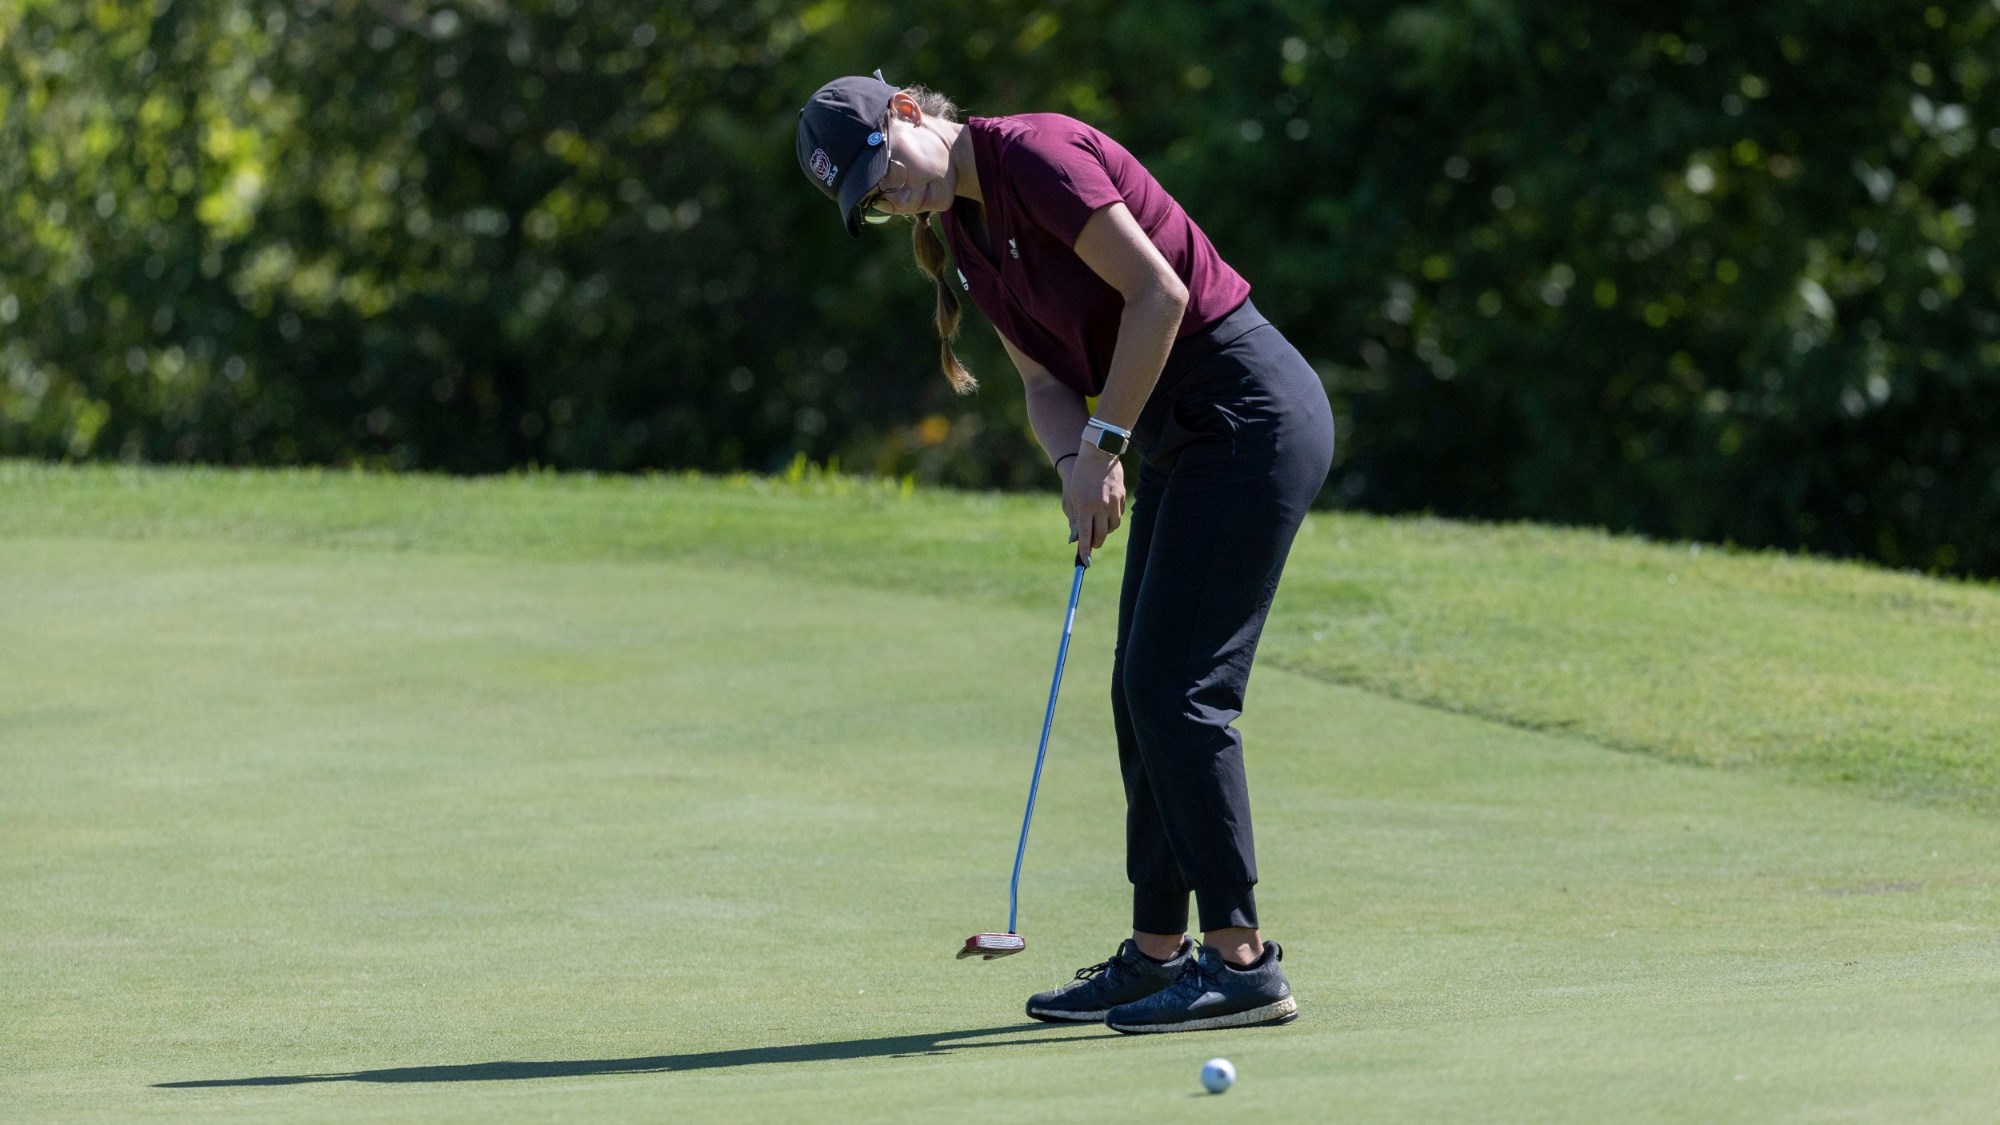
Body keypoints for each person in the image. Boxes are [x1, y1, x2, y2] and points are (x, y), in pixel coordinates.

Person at [795, 73, 1334, 1034]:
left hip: (1245, 415)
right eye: (872, 201)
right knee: (1140, 686)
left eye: (884, 171)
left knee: (1181, 688)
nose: (891, 197)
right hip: (1180, 435)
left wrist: (1107, 441)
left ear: (908, 116)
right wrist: (1070, 458)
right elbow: (1046, 380)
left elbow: (1157, 296)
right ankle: (1158, 951)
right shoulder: (963, 233)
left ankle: (1242, 961)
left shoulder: (1032, 156)